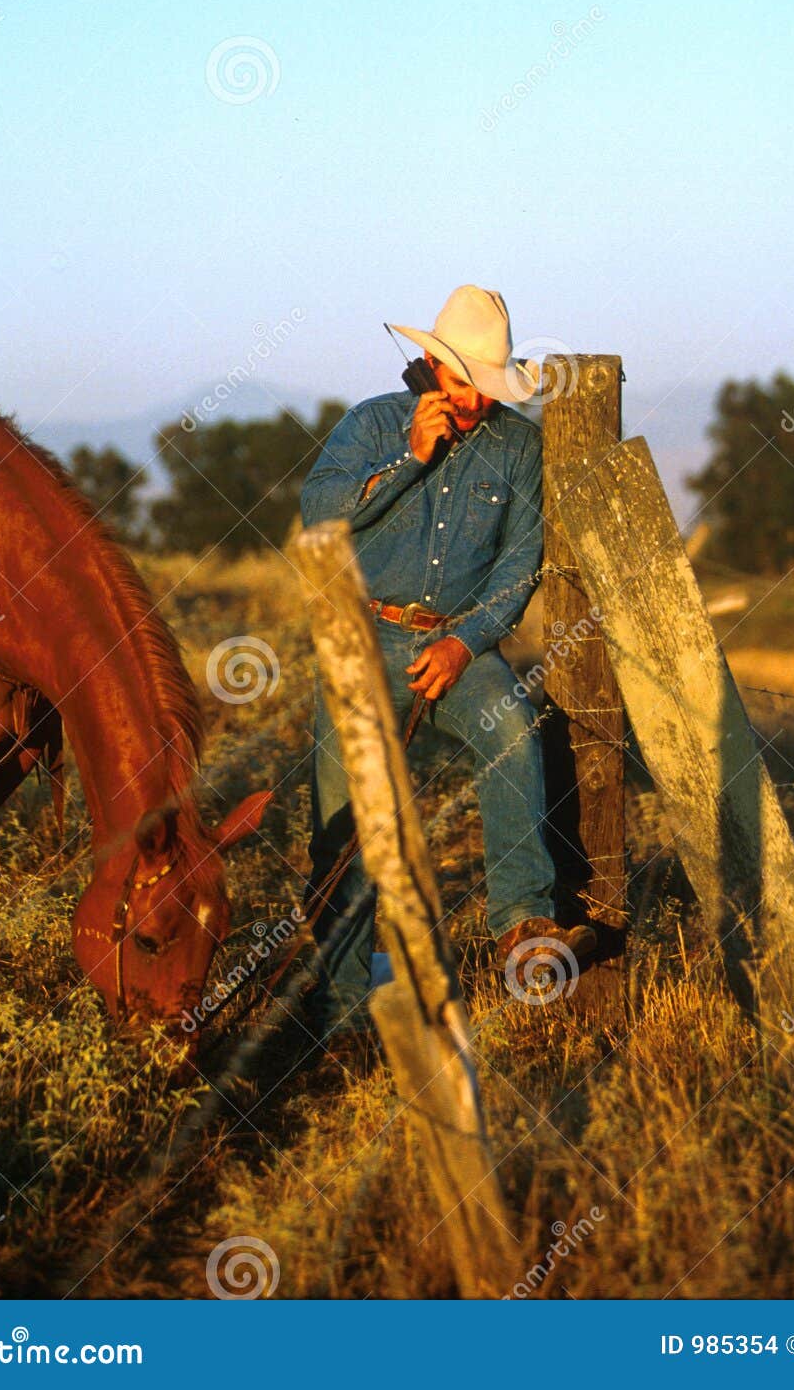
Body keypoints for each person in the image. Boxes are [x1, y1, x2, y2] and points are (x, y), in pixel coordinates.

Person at [299, 285, 596, 1060]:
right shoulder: (370, 425)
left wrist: (467, 642)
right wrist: (411, 458)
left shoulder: (518, 449)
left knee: (510, 726)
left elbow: (518, 562)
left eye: (486, 388)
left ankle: (523, 927)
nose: (474, 401)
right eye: (464, 382)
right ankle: (341, 1002)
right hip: (363, 637)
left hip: (460, 642)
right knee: (344, 812)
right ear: (431, 365)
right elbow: (320, 516)